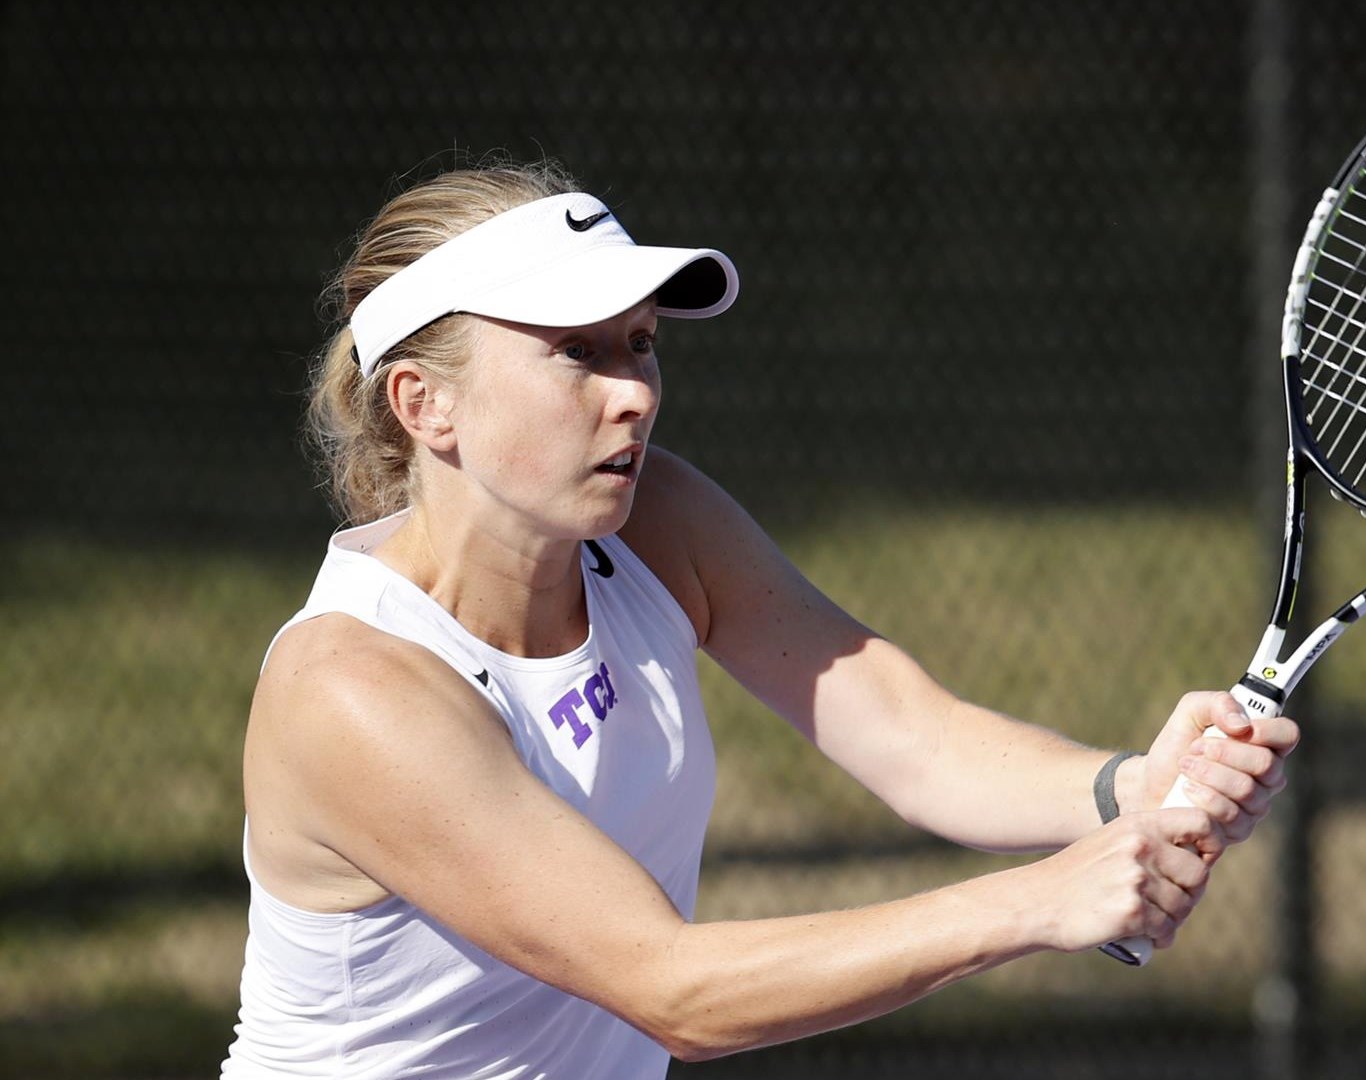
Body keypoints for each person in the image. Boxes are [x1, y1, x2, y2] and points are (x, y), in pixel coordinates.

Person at [221, 157, 1300, 1078]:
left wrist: (1123, 789)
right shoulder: (353, 690)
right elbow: (673, 988)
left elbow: (911, 737)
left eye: (641, 342)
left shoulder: (658, 523)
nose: (635, 391)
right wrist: (1037, 903)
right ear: (425, 404)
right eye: (578, 352)